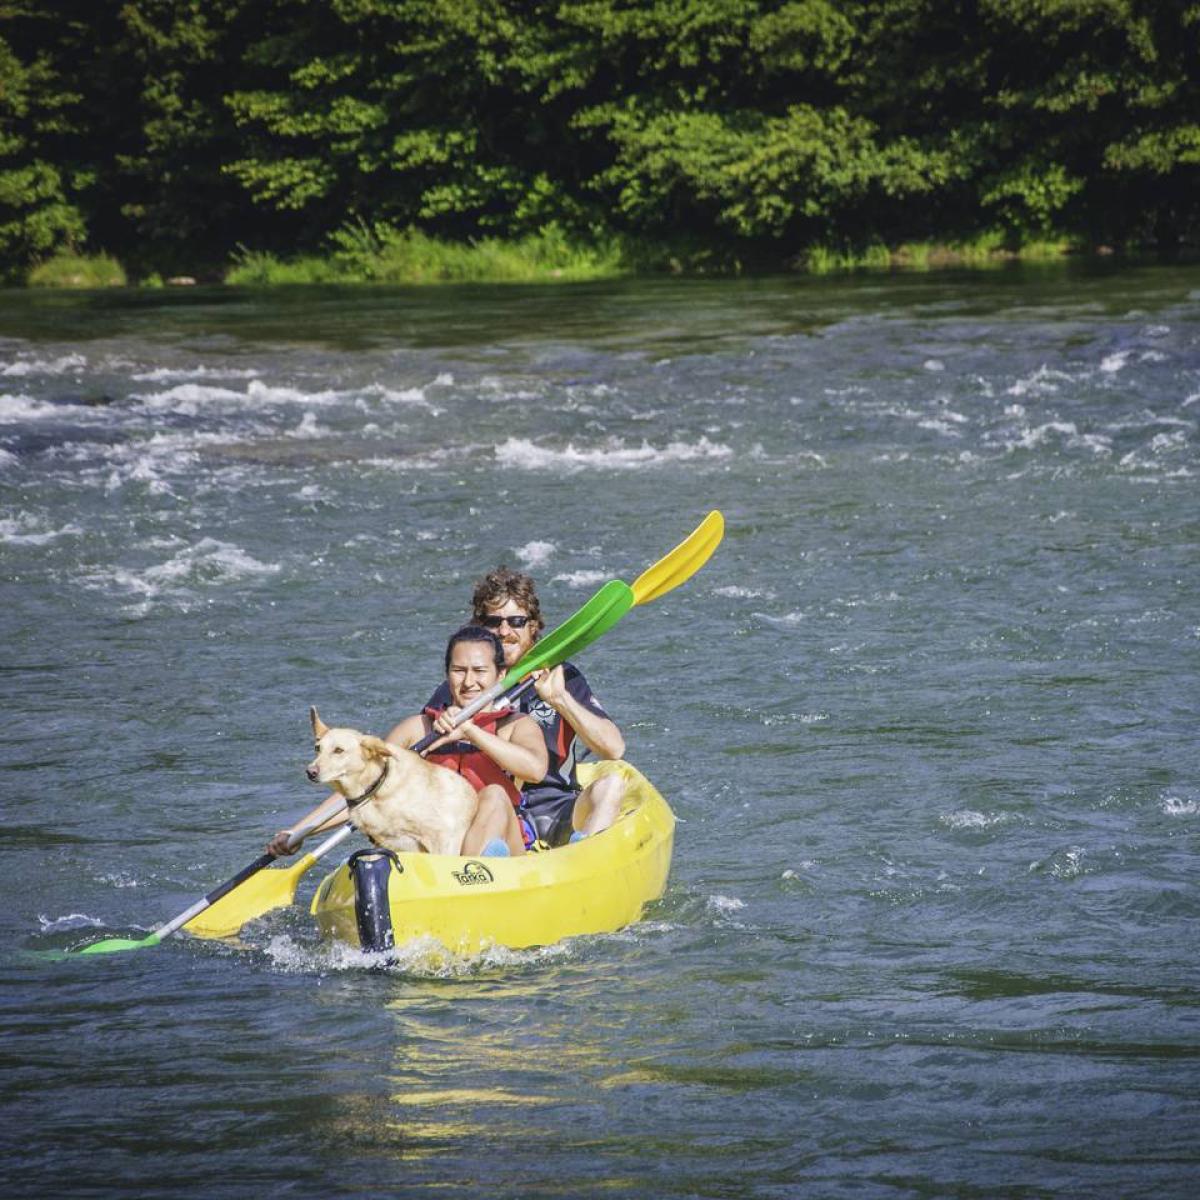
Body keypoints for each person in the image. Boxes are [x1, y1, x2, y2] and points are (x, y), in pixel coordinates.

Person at [268, 625, 547, 857]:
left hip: (503, 841)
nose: (468, 681)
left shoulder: (516, 725)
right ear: (447, 673)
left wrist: (472, 732)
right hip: (436, 844)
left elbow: (535, 770)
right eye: (459, 670)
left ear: (500, 675)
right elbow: (361, 789)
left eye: (479, 671)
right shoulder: (418, 728)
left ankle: (466, 875)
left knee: (495, 795)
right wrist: (300, 831)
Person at [425, 566, 626, 847]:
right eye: (493, 622)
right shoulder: (464, 687)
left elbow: (613, 749)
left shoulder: (562, 676)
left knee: (612, 785)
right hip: (493, 808)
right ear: (478, 627)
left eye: (516, 621)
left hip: (556, 808)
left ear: (533, 626)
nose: (504, 631)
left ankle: (583, 860)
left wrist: (560, 700)